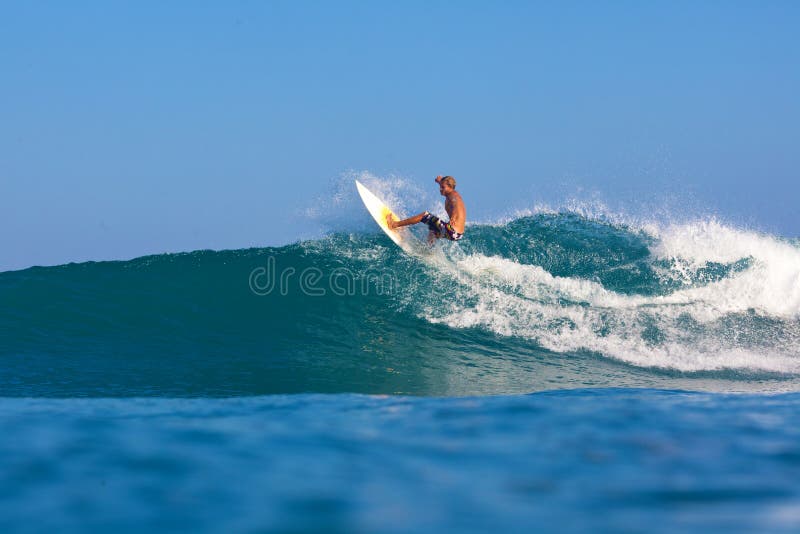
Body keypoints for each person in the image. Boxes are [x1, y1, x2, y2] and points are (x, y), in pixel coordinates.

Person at [387, 175, 466, 243]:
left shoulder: (453, 195)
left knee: (425, 216)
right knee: (433, 227)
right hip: (457, 235)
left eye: (443, 187)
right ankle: (429, 250)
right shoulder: (451, 193)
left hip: (452, 229)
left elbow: (455, 202)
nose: (440, 189)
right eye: (440, 186)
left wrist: (453, 216)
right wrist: (440, 181)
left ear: (450, 187)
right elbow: (449, 191)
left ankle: (394, 224)